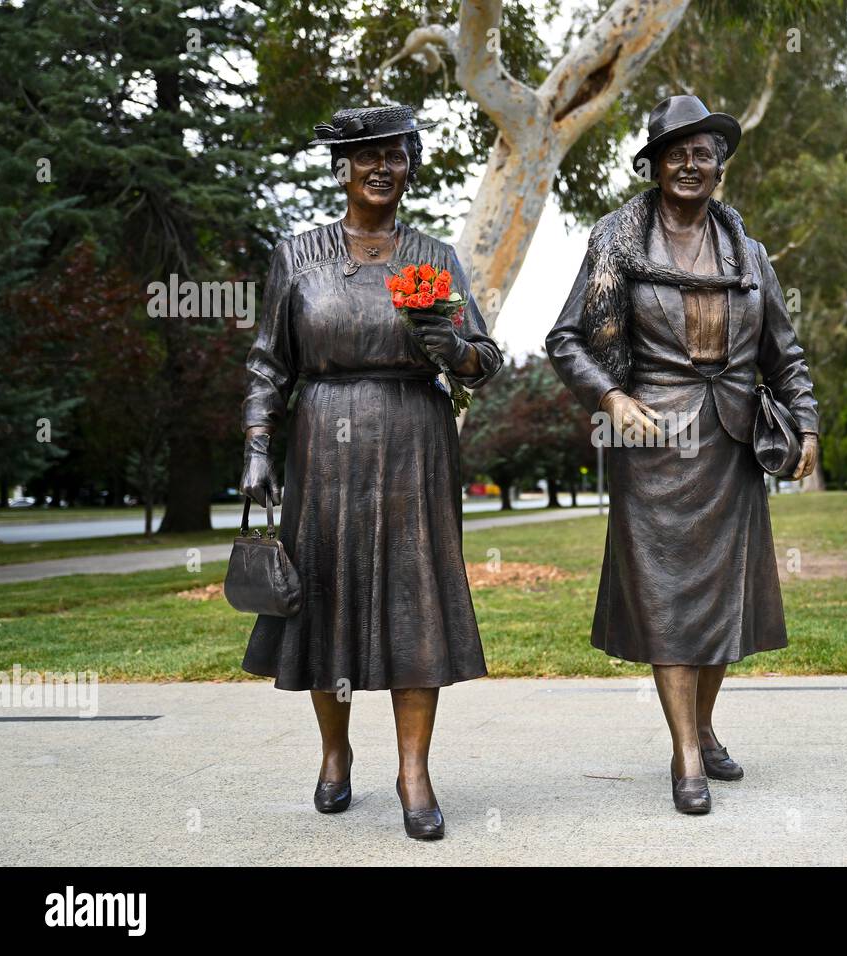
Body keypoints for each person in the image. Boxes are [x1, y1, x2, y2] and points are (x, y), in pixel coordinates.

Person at [546, 95, 820, 814]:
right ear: (655, 164)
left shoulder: (750, 254)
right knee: (669, 600)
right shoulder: (616, 241)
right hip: (654, 445)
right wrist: (610, 397)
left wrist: (810, 428)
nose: (691, 164)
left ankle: (702, 725)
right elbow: (566, 337)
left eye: (704, 152)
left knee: (725, 601)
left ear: (720, 166)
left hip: (731, 443)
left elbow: (784, 354)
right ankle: (686, 755)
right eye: (677, 152)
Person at [238, 104, 503, 840]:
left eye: (395, 154)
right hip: (322, 442)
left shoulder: (434, 258)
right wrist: (258, 447)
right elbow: (268, 363)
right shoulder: (298, 255)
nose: (381, 167)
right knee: (325, 596)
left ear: (412, 165)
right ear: (342, 168)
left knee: (414, 600)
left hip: (414, 442)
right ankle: (334, 753)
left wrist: (448, 345)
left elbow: (484, 362)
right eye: (365, 156)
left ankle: (413, 770)